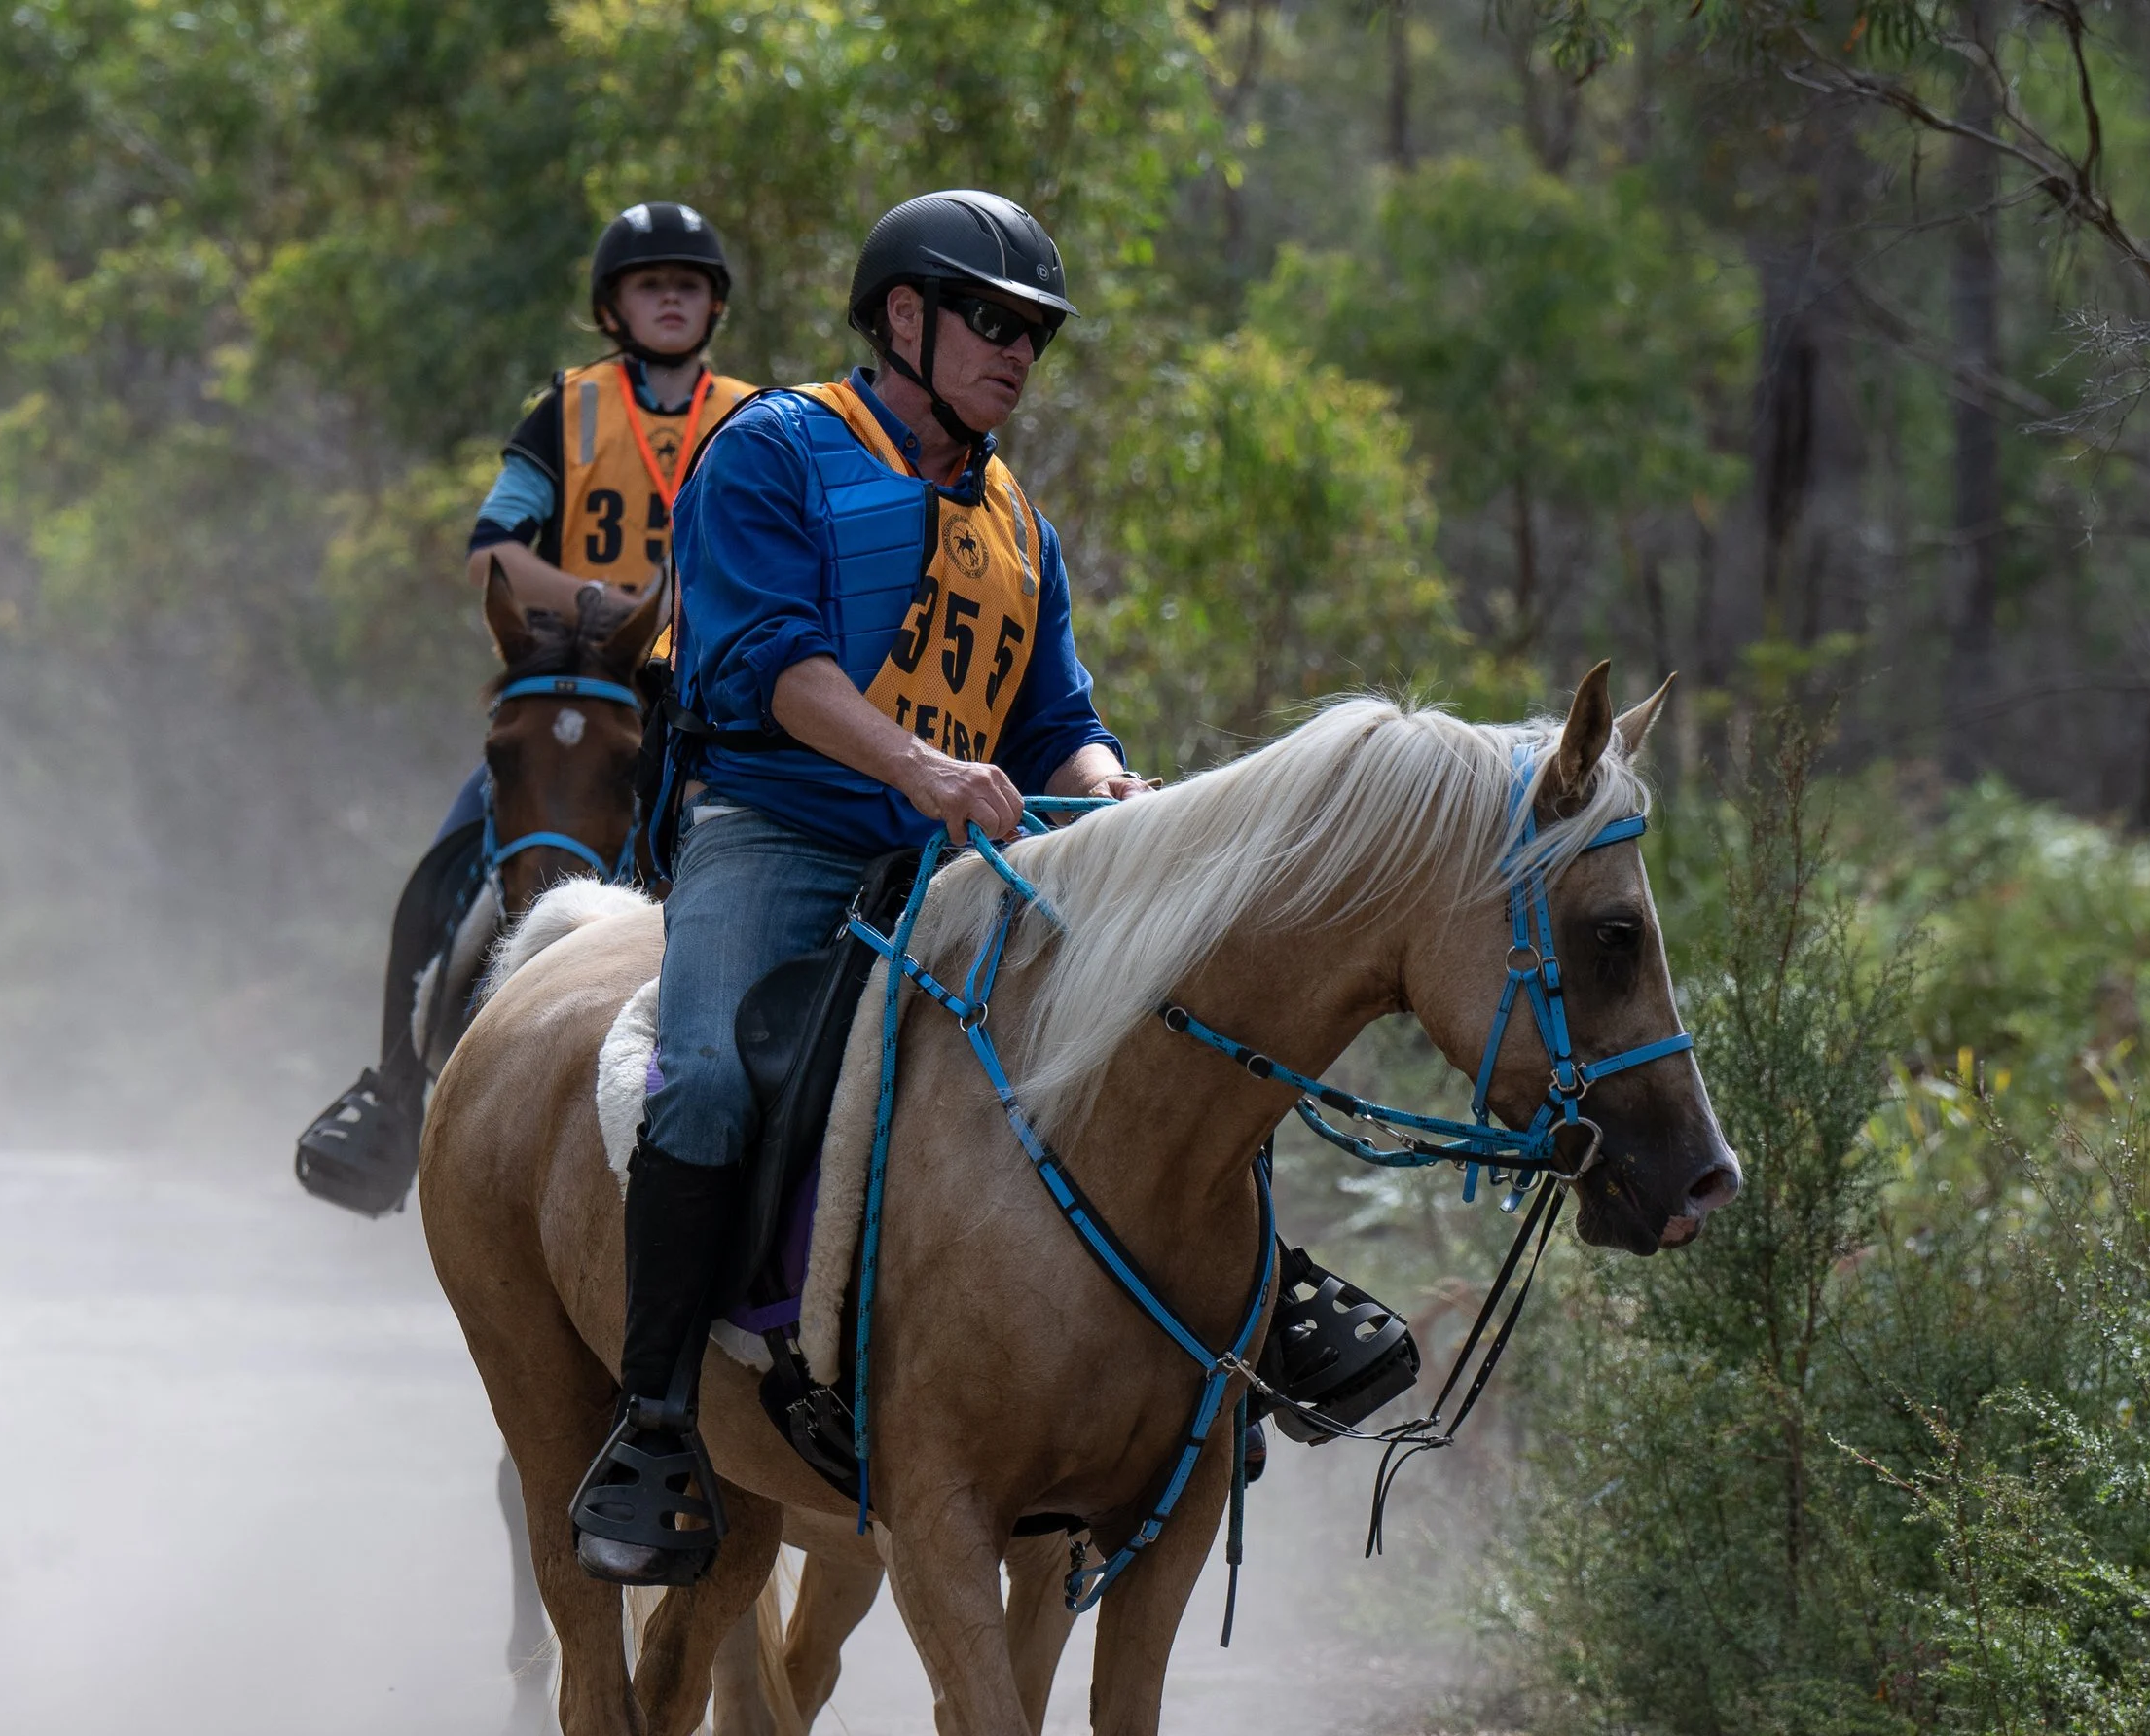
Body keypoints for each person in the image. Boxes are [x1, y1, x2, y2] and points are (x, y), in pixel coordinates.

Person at [571, 190, 1418, 1589]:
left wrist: (1112, 782)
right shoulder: (774, 448)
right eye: (993, 322)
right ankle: (657, 1415)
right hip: (782, 839)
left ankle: (1250, 1323)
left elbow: (1053, 722)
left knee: (1163, 1008)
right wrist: (918, 766)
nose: (1019, 354)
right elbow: (772, 665)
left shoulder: (1018, 517)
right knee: (711, 1079)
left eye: (1036, 335)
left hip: (958, 850)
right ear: (903, 320)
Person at [295, 202, 754, 1216]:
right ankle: (392, 1100)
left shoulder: (758, 416)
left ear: (715, 300)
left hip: (712, 700)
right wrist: (599, 606)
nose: (671, 295)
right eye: (649, 282)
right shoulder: (568, 409)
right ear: (611, 307)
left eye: (688, 281)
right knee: (445, 867)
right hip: (579, 676)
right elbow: (492, 549)